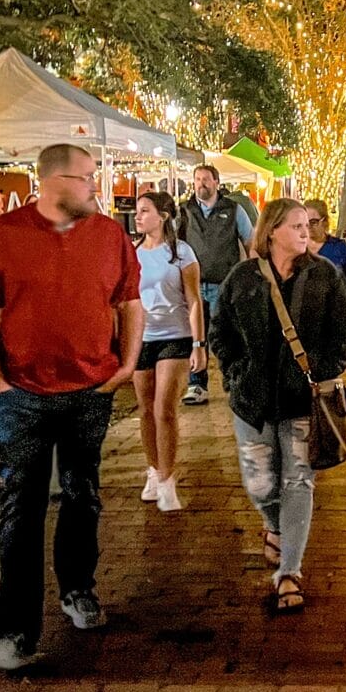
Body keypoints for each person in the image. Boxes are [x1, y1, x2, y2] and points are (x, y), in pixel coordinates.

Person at [0, 143, 144, 670]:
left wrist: (127, 364)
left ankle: (78, 588)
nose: (95, 186)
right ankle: (16, 632)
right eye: (86, 177)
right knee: (21, 507)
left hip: (89, 391)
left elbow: (129, 301)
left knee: (83, 494)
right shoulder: (3, 237)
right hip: (22, 396)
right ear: (54, 181)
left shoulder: (109, 235)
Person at [209, 199, 346, 614]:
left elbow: (344, 333)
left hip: (302, 402)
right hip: (252, 402)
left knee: (299, 482)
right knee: (260, 483)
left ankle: (289, 571)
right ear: (271, 231)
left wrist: (319, 370)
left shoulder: (325, 276)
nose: (304, 231)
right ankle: (274, 526)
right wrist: (237, 373)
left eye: (307, 225)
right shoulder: (243, 278)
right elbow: (221, 330)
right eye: (295, 225)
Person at [132, 190, 206, 513]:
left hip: (175, 335)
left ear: (162, 216)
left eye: (144, 211)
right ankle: (152, 469)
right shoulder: (132, 253)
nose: (137, 216)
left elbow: (193, 300)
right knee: (145, 408)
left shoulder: (181, 254)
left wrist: (199, 344)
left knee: (165, 408)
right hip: (142, 338)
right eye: (137, 211)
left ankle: (167, 478)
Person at [177, 164, 252, 406]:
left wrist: (252, 276)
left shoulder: (233, 210)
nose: (201, 184)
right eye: (197, 179)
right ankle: (197, 383)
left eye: (206, 179)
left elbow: (250, 242)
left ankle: (233, 378)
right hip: (195, 286)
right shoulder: (185, 211)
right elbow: (176, 243)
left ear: (217, 182)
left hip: (225, 285)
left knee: (228, 334)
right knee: (196, 336)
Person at [303, 198, 346, 337]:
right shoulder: (296, 250)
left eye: (313, 222)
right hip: (304, 322)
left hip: (336, 321)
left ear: (325, 221)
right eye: (303, 223)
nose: (308, 227)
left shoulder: (341, 249)